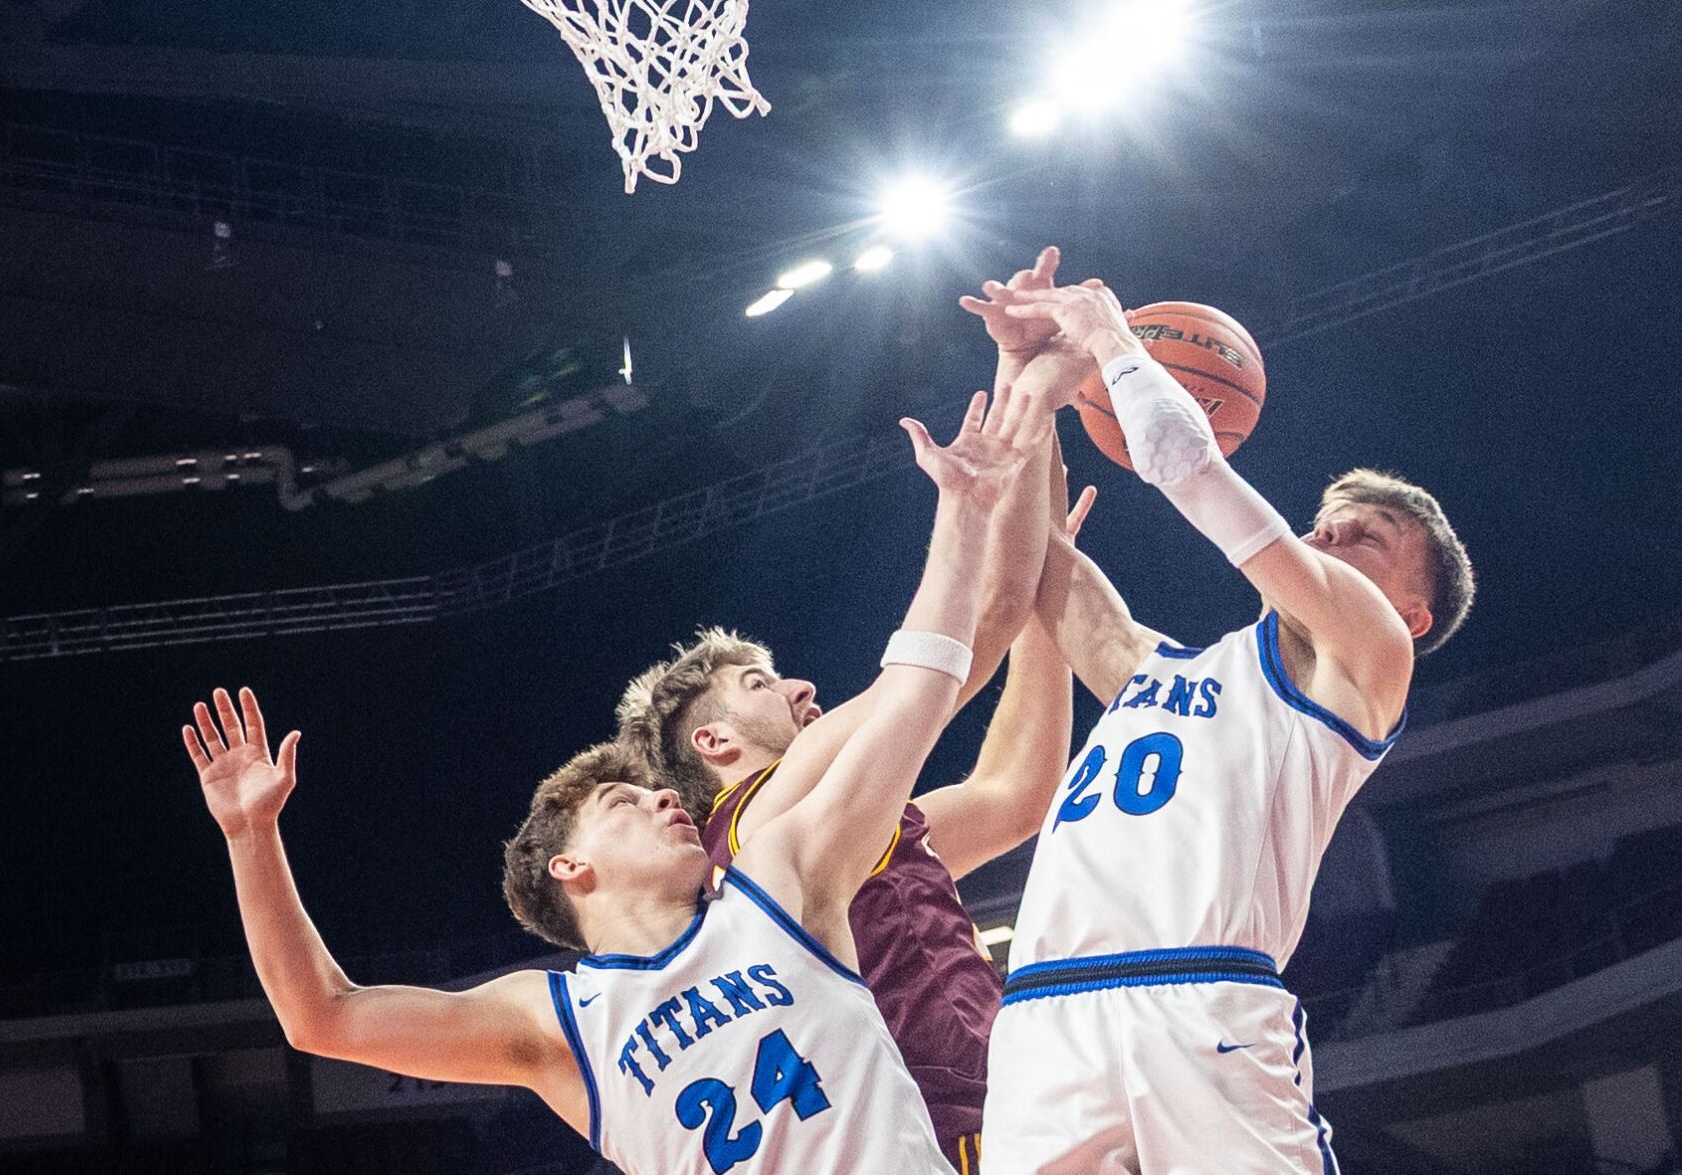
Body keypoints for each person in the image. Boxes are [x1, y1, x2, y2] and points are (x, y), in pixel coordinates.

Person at [180, 383, 1051, 1175]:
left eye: (652, 788)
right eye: (622, 801)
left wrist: (963, 513)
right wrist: (250, 837)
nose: (666, 797)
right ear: (568, 865)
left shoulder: (778, 880)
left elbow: (917, 691)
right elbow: (321, 1016)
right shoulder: (552, 1020)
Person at [970, 272, 1476, 1174]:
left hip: (1200, 996)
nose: (1320, 541)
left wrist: (1115, 343)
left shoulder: (1368, 662)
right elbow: (1042, 565)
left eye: (1362, 538)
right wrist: (1031, 385)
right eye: (1323, 526)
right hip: (1042, 1012)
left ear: (1411, 612)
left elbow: (1192, 470)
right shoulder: (1156, 671)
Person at [611, 250, 1085, 1175]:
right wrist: (1022, 388)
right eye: (760, 684)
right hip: (937, 1123)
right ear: (712, 744)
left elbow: (1017, 793)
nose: (798, 690)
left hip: (990, 1104)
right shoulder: (760, 818)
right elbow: (976, 624)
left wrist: (1048, 609)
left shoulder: (818, 842)